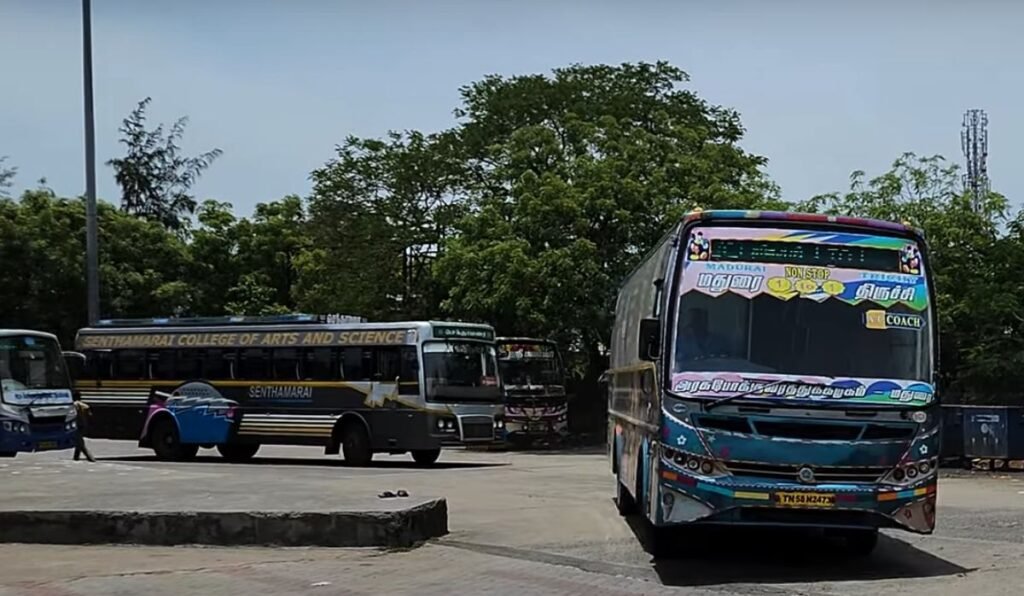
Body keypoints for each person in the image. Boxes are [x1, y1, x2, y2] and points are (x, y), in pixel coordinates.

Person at [72, 397, 95, 462]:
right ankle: (76, 457)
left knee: (79, 441)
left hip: (78, 424)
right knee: (78, 439)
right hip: (83, 424)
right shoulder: (82, 404)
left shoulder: (75, 404)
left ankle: (90, 457)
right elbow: (88, 410)